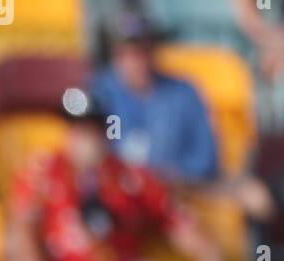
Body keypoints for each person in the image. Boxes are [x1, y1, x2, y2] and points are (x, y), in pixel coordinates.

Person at [8, 88, 224, 261]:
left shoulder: (130, 177)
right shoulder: (44, 170)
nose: (85, 137)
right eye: (78, 128)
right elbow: (22, 224)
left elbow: (176, 221)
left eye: (92, 128)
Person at [92, 11, 218, 185]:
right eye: (125, 54)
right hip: (115, 195)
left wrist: (169, 176)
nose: (136, 61)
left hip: (175, 195)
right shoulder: (100, 93)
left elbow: (205, 160)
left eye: (143, 51)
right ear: (114, 56)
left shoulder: (183, 94)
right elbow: (87, 154)